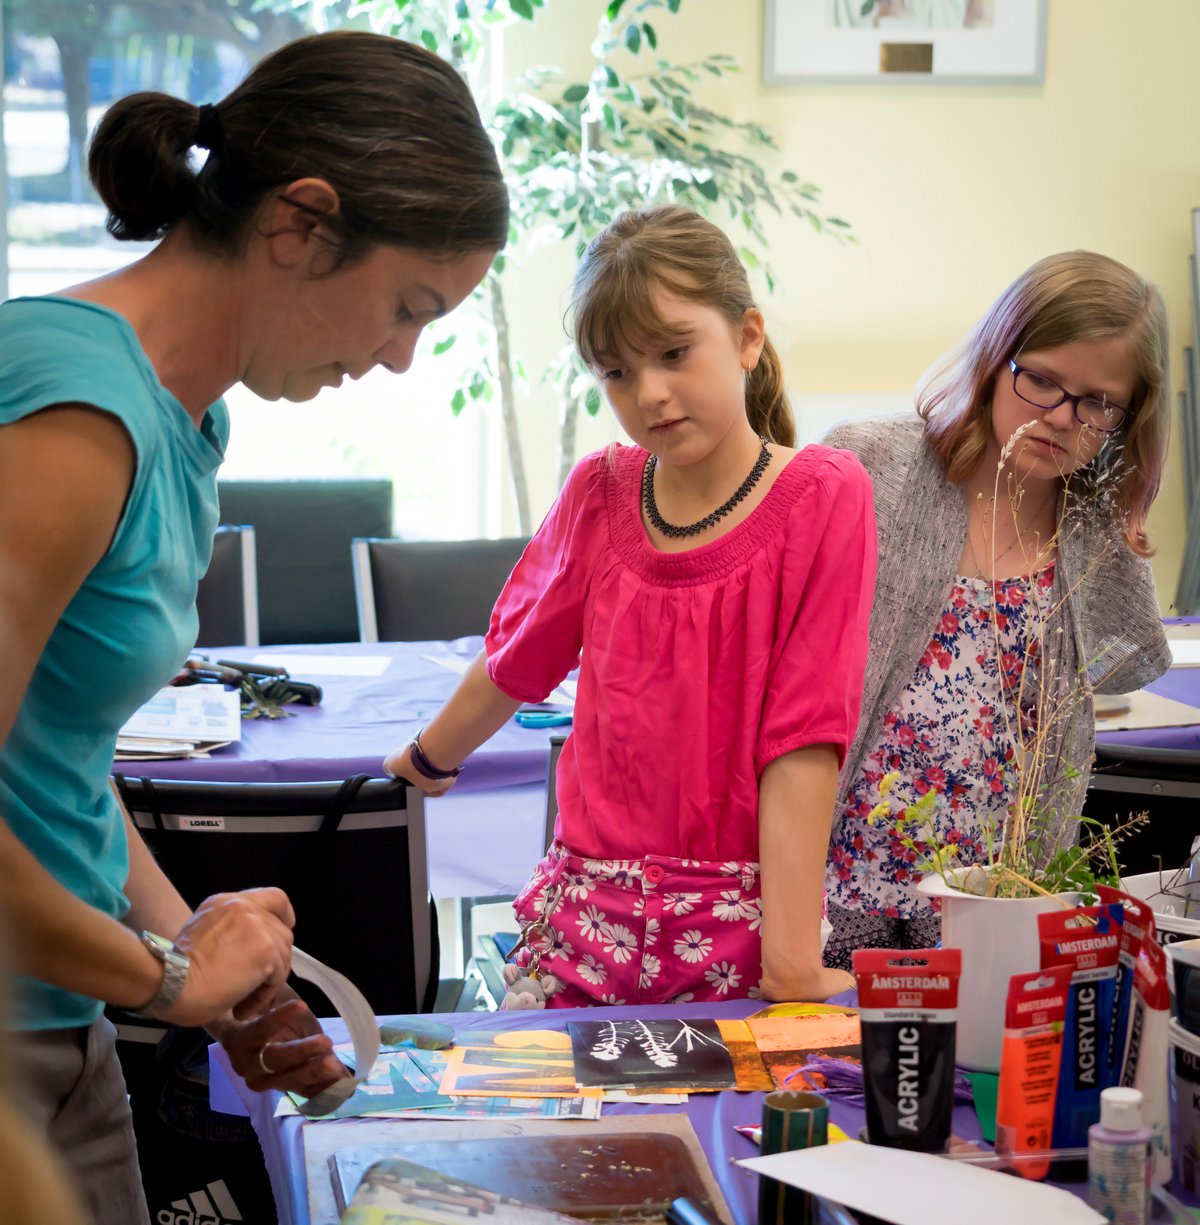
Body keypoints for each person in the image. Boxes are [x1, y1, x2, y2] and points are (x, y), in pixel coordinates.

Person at [0, 30, 507, 1224]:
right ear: (302, 222)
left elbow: (50, 762)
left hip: (59, 1013)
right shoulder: (75, 415)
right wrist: (167, 975)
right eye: (406, 306)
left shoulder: (186, 423)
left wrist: (206, 959)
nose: (397, 357)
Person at [386, 205, 876, 1008]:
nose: (649, 393)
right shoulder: (600, 491)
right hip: (582, 925)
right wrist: (427, 759)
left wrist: (790, 963)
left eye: (675, 353)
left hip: (740, 937)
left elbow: (803, 736)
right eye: (615, 371)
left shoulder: (825, 492)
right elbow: (518, 655)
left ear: (748, 336)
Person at [821, 250, 1172, 969]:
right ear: (995, 353)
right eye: (1040, 379)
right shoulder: (867, 466)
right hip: (839, 885)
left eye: (1097, 402)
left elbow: (1121, 662)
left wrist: (1120, 513)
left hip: (997, 906)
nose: (1059, 417)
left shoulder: (1095, 528)